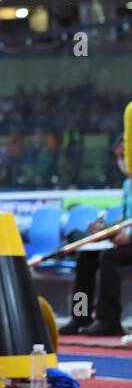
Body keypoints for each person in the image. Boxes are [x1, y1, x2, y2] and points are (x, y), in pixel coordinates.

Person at [58, 135, 132, 338]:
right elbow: (127, 218)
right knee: (86, 256)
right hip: (124, 238)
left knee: (109, 258)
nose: (121, 160)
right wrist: (106, 227)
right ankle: (80, 315)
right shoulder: (128, 184)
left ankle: (108, 320)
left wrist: (128, 235)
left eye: (124, 154)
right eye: (118, 155)